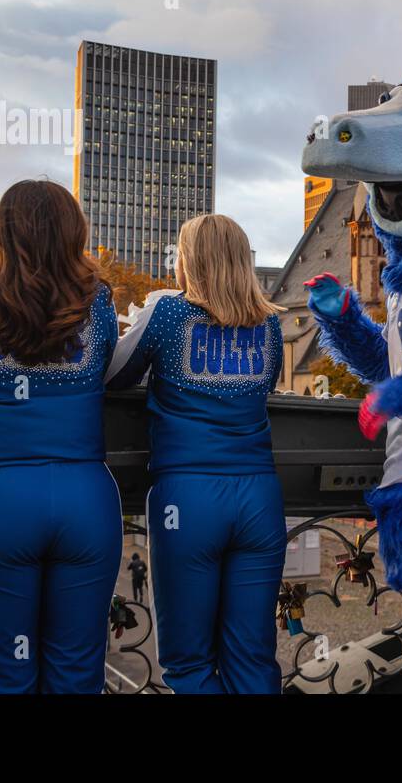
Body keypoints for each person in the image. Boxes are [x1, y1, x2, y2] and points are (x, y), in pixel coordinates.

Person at [0, 180, 122, 693]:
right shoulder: (98, 302)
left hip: (1, 498)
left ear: (2, 234)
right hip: (86, 498)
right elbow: (106, 367)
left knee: (0, 677)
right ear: (74, 233)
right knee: (77, 673)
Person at [106, 214, 287, 694]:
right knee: (252, 657)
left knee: (189, 663)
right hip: (259, 496)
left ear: (189, 261)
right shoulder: (269, 324)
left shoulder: (166, 313)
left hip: (187, 498)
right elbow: (265, 387)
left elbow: (114, 374)